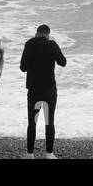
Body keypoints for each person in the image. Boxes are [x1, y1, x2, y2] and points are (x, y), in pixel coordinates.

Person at [19, 24, 66, 159]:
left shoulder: (29, 44)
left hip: (34, 89)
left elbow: (23, 67)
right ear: (47, 34)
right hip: (49, 89)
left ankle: (30, 153)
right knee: (49, 121)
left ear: (37, 33)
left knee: (32, 122)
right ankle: (49, 154)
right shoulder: (52, 45)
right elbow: (63, 62)